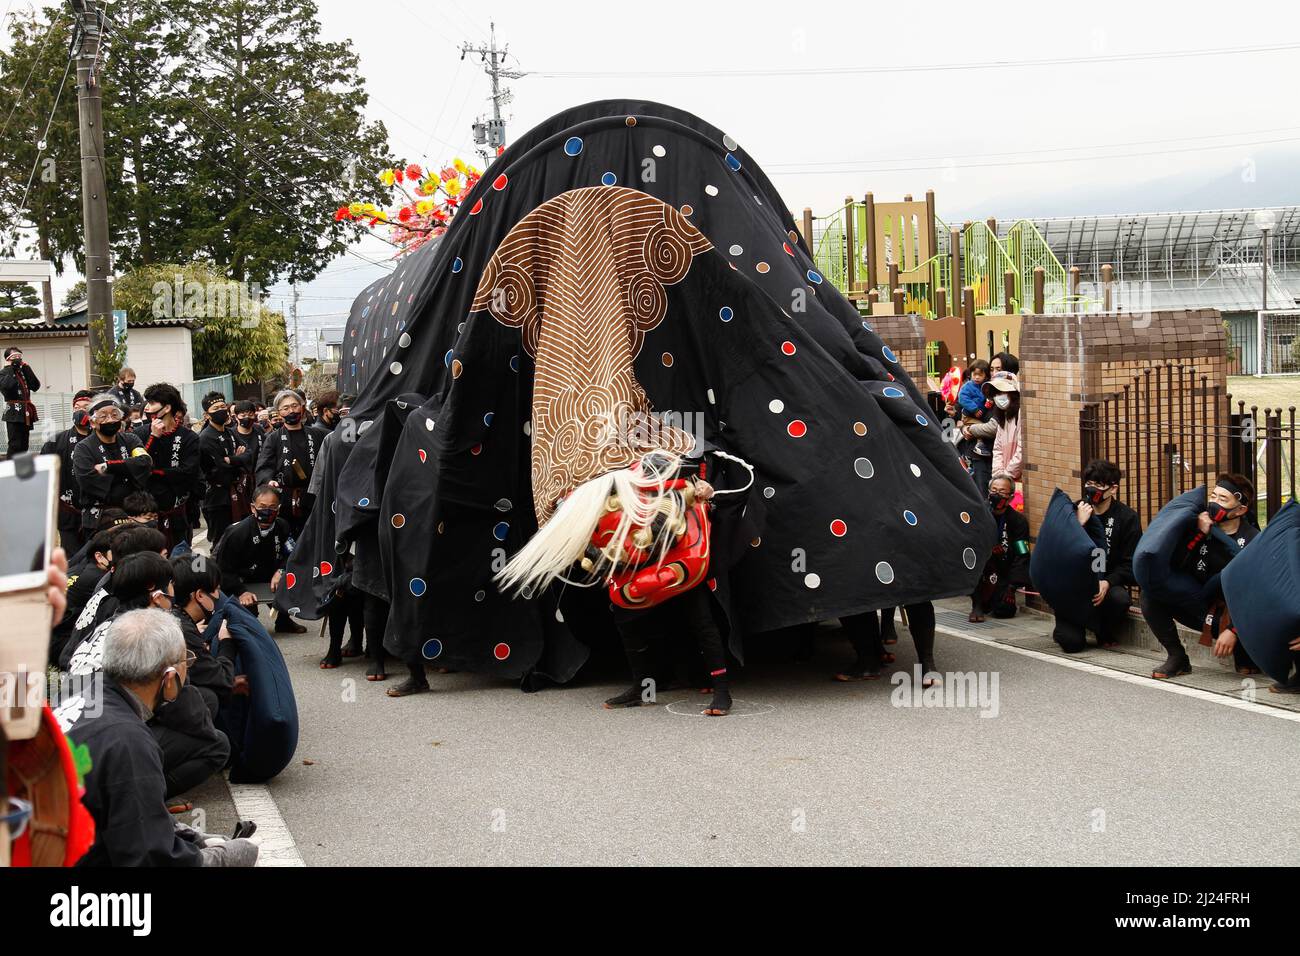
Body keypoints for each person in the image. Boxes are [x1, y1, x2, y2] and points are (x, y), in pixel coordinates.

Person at [64, 608, 258, 867]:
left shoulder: (86, 697)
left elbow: (128, 812)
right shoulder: (128, 741)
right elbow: (154, 860)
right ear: (169, 677)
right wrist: (227, 856)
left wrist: (189, 835)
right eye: (185, 662)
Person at [1141, 474, 1260, 680]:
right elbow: (1175, 564)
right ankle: (1177, 657)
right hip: (1201, 605)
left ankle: (1244, 650)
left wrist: (1234, 630)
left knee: (1247, 663)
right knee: (1150, 595)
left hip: (1237, 615)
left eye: (1223, 500)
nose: (1214, 503)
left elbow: (1257, 594)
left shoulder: (1253, 539)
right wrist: (1198, 534)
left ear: (1240, 510)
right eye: (1213, 496)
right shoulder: (1196, 527)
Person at [1051, 459, 1143, 653]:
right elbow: (1057, 548)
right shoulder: (1073, 510)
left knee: (1120, 599)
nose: (1092, 490)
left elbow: (1130, 563)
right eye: (1089, 484)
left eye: (1099, 485)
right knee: (1071, 644)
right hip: (1074, 585)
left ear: (1113, 489)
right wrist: (1078, 525)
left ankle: (1101, 629)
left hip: (1105, 583)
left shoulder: (1127, 517)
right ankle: (1070, 626)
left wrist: (1108, 582)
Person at [213, 484, 302, 634]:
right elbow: (223, 571)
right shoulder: (237, 533)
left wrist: (281, 571)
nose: (267, 511)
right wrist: (241, 591)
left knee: (290, 576)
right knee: (247, 616)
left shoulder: (282, 526)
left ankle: (283, 621)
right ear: (253, 508)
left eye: (272, 507)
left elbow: (292, 554)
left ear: (278, 509)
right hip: (239, 580)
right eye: (262, 506)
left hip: (268, 576)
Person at [72, 394, 153, 537]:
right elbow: (87, 479)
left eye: (114, 415)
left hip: (133, 515)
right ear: (92, 422)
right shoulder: (83, 448)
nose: (110, 420)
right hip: (101, 518)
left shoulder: (131, 439)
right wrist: (128, 474)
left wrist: (109, 467)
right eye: (103, 416)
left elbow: (145, 462)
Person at [169, 556, 239, 717]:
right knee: (208, 699)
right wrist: (226, 642)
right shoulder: (182, 632)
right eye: (215, 590)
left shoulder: (174, 617)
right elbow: (222, 679)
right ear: (199, 595)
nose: (219, 595)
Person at [134, 383, 201, 550]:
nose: (147, 409)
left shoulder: (188, 437)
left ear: (167, 408)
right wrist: (154, 437)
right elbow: (139, 468)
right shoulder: (139, 434)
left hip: (177, 511)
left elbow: (188, 472)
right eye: (147, 403)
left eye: (152, 403)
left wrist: (156, 472)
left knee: (181, 558)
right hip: (146, 513)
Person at [255, 389, 318, 537]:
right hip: (285, 497)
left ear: (302, 407)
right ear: (279, 412)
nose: (292, 410)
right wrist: (269, 480)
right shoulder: (273, 438)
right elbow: (264, 466)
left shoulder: (317, 434)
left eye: (295, 405)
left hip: (312, 495)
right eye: (286, 408)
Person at [40, 389, 97, 552]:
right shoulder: (56, 441)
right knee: (70, 559)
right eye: (76, 407)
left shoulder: (102, 439)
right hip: (67, 512)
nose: (80, 411)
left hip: (97, 512)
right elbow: (44, 474)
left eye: (85, 407)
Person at [970, 474, 1030, 622]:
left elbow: (1022, 553)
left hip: (1003, 568)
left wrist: (1012, 587)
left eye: (1002, 492)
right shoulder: (979, 513)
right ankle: (976, 604)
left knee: (1005, 610)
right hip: (982, 566)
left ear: (1010, 497)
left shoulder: (1018, 521)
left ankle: (1000, 594)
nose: (997, 495)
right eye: (994, 490)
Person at [198, 391, 249, 547]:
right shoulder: (206, 437)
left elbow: (249, 454)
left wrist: (232, 459)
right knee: (221, 541)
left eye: (223, 406)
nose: (222, 410)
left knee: (239, 536)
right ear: (207, 415)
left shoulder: (230, 432)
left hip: (236, 491)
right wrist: (236, 460)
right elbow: (220, 467)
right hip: (217, 497)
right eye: (216, 408)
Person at [0, 346, 40, 456]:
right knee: (15, 444)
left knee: (24, 444)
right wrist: (9, 368)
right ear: (8, 359)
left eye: (19, 356)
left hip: (25, 411)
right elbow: (7, 386)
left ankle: (21, 469)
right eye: (14, 356)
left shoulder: (22, 372)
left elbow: (35, 386)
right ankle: (9, 470)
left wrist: (27, 368)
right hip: (13, 412)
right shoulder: (4, 372)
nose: (18, 358)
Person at [984, 371, 1023, 483]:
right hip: (1006, 482)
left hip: (1018, 480)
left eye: (1002, 392)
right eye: (996, 394)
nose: (998, 397)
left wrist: (1006, 476)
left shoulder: (1020, 414)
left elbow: (1022, 450)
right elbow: (998, 449)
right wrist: (998, 476)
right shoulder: (1003, 417)